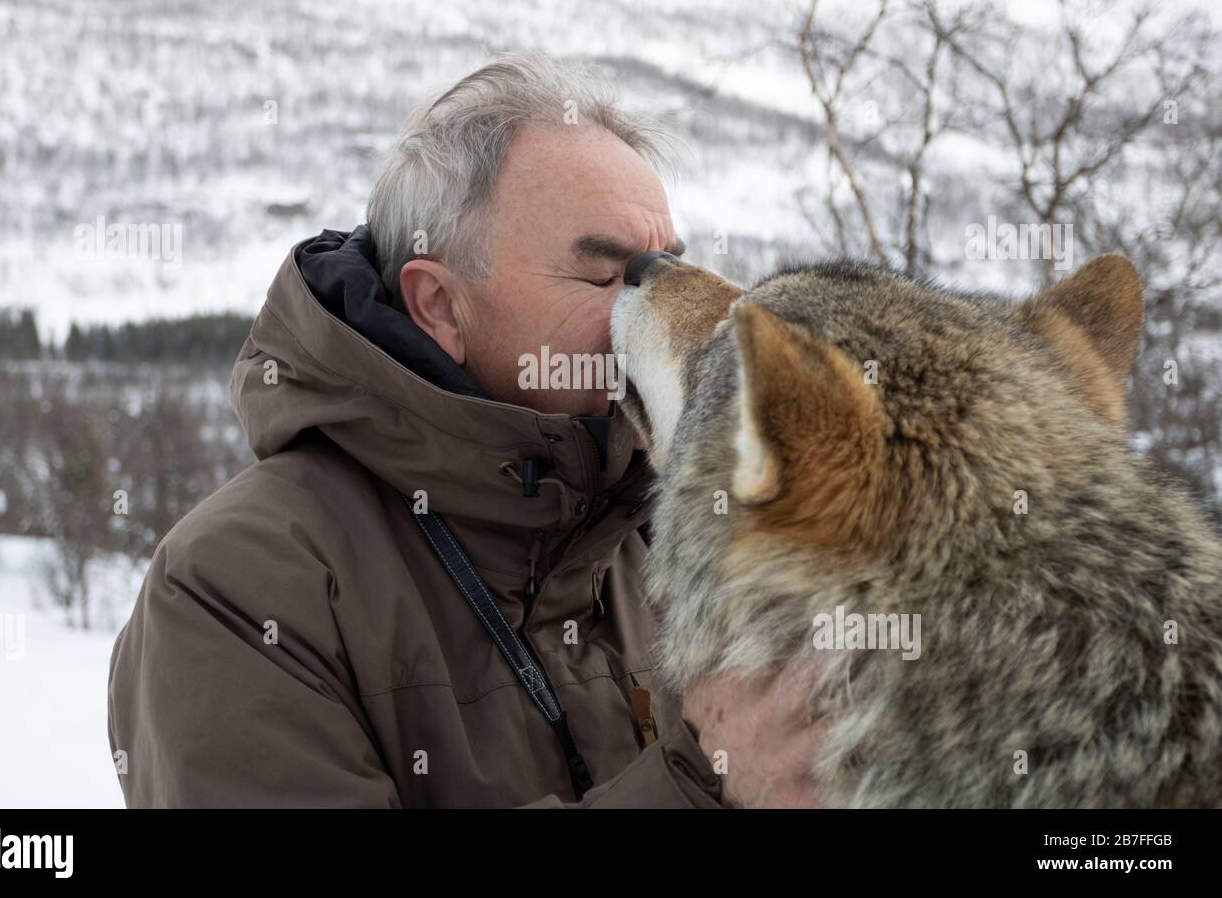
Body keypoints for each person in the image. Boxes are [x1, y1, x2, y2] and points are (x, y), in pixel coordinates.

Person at [107, 52, 818, 807]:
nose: (664, 320)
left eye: (667, 273)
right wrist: (695, 784)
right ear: (442, 307)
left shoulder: (668, 536)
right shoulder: (237, 589)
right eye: (607, 276)